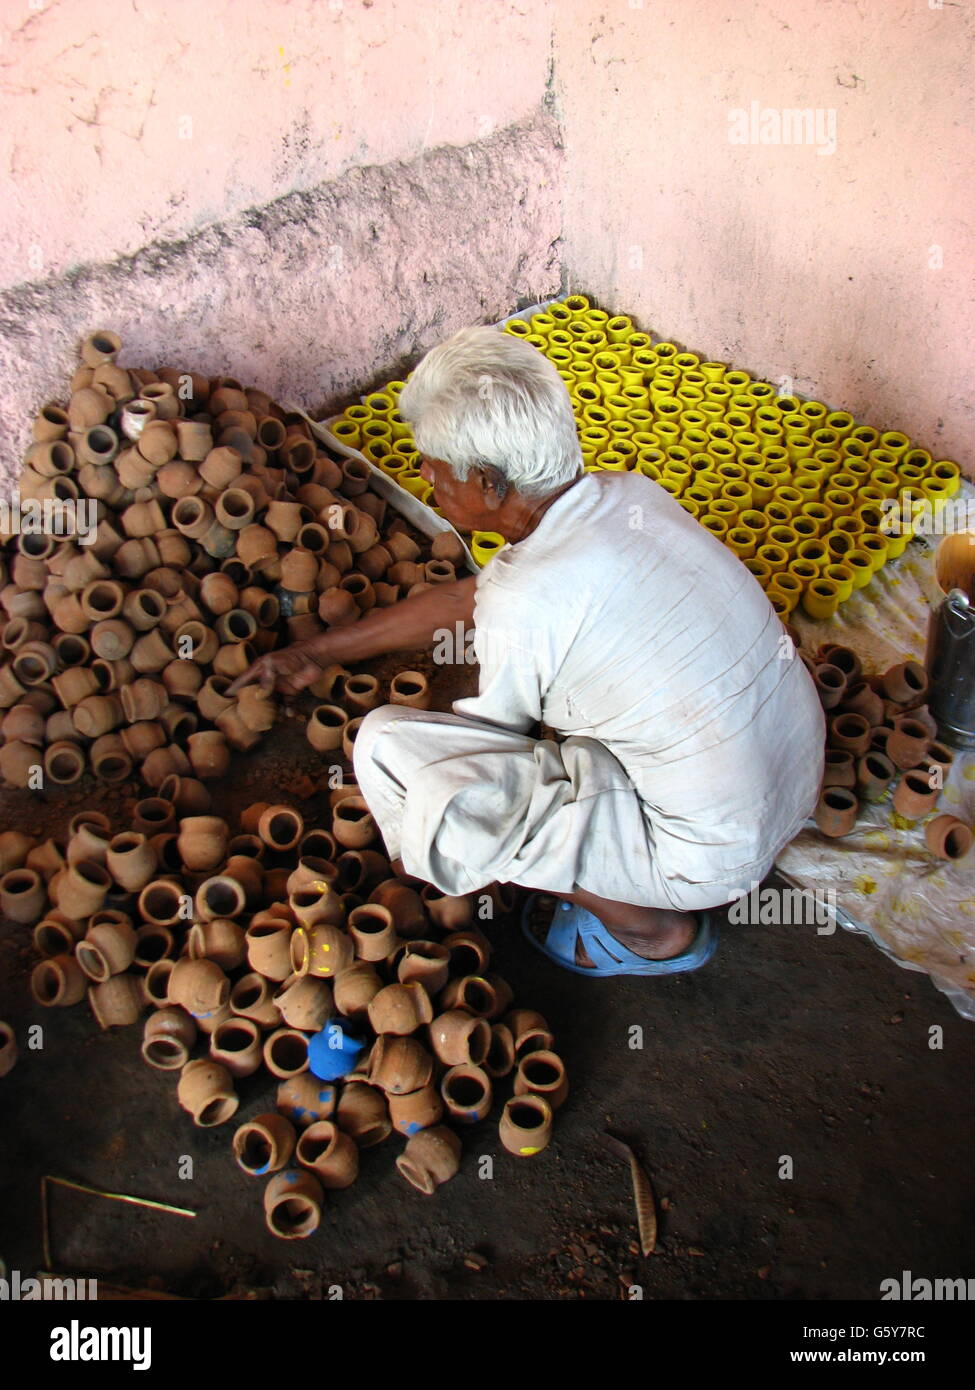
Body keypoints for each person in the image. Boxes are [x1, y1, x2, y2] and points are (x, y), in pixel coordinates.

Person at [231, 325, 825, 977]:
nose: (423, 475)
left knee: (396, 758)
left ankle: (652, 927)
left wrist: (422, 833)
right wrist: (316, 652)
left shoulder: (529, 595)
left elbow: (488, 759)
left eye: (433, 464)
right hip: (795, 777)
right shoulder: (626, 496)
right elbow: (472, 598)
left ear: (488, 483)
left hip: (706, 860)